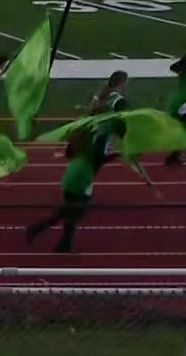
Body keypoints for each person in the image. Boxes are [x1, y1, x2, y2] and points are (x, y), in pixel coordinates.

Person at [27, 102, 123, 254]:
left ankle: (60, 242)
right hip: (83, 175)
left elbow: (70, 152)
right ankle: (40, 230)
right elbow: (98, 158)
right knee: (78, 210)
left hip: (73, 170)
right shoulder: (102, 135)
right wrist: (118, 154)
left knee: (71, 209)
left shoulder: (83, 128)